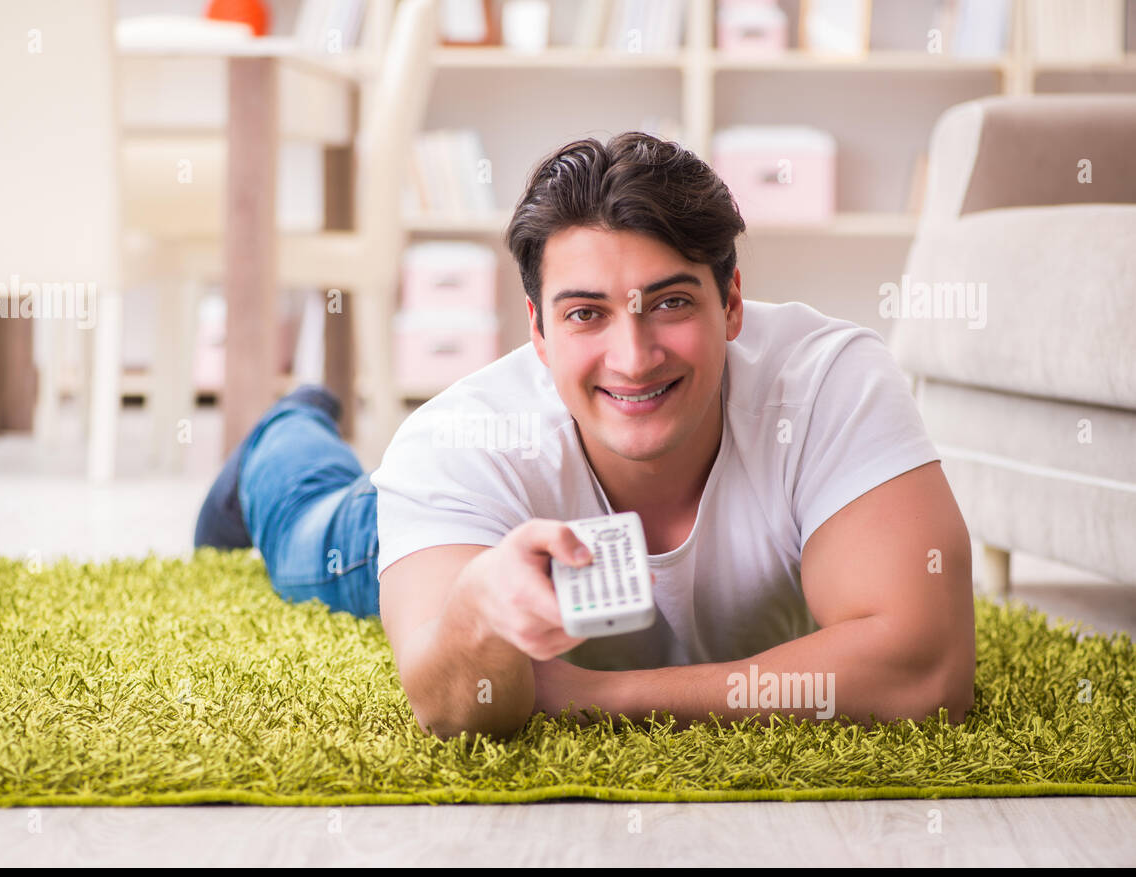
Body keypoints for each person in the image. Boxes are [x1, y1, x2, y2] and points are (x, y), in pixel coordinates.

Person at [196, 131, 976, 741]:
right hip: (447, 538)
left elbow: (925, 670)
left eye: (670, 303)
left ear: (731, 301)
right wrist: (476, 608)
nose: (634, 359)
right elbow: (448, 705)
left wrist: (607, 695)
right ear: (535, 328)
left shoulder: (828, 384)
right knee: (309, 525)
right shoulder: (461, 444)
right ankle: (287, 430)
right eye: (585, 314)